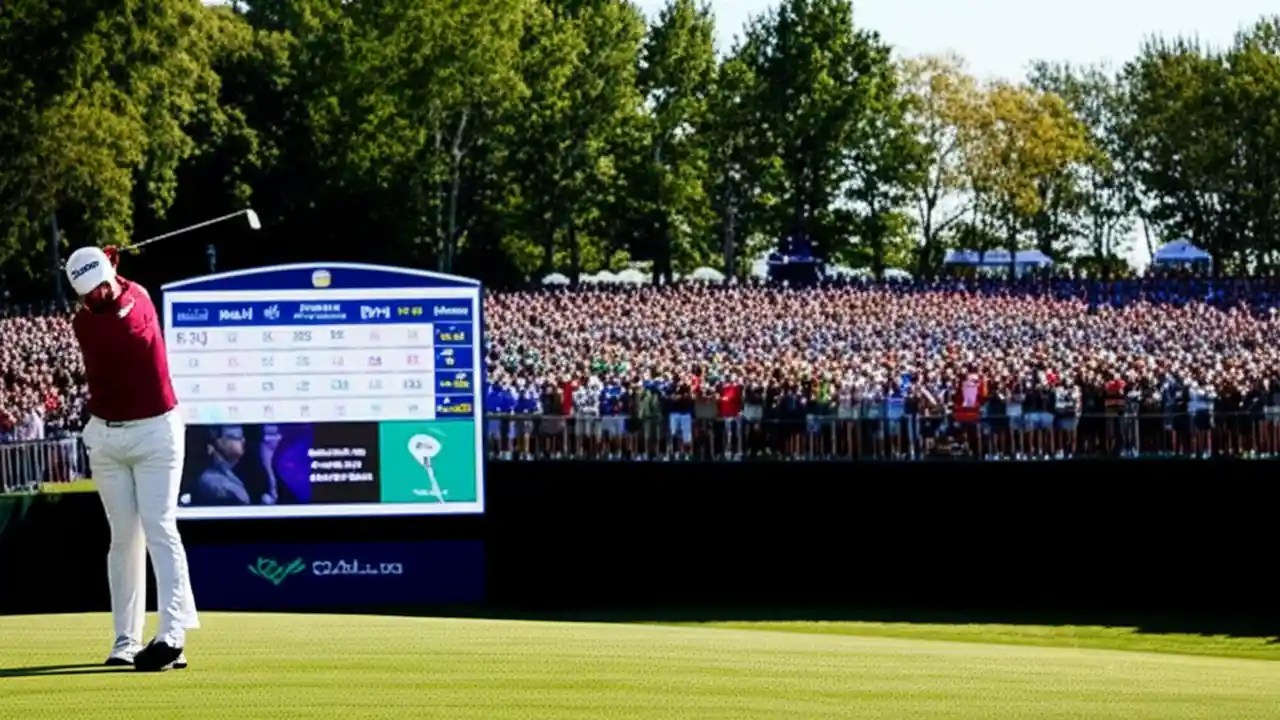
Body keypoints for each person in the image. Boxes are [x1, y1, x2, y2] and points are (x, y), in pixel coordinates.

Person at [67, 245, 197, 672]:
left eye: (102, 287)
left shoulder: (136, 302)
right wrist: (110, 268)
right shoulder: (87, 324)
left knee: (160, 527)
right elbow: (117, 307)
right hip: (107, 439)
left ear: (111, 277)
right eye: (89, 293)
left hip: (156, 432)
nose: (97, 296)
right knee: (124, 538)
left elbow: (131, 315)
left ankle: (172, 635)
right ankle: (126, 639)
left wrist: (108, 270)